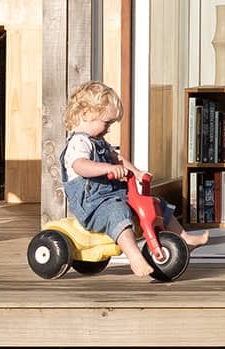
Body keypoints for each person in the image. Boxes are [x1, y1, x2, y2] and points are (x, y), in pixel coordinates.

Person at [60, 81, 206, 281]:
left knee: (154, 203)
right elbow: (81, 166)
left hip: (115, 196)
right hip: (94, 205)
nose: (108, 129)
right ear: (86, 114)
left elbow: (118, 158)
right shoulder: (79, 143)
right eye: (107, 123)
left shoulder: (98, 141)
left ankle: (184, 238)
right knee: (117, 213)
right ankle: (134, 256)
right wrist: (108, 169)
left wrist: (136, 172)